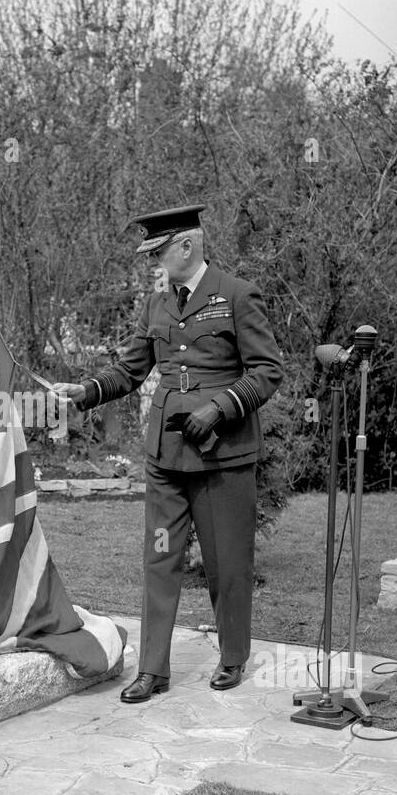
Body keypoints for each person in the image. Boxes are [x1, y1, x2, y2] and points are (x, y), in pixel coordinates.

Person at [51, 204, 284, 702]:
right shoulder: (157, 305)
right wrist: (87, 390)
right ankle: (153, 670)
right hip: (166, 456)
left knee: (228, 564)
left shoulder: (238, 295)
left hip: (222, 456)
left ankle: (233, 656)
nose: (154, 262)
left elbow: (266, 371)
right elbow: (131, 371)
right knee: (160, 559)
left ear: (186, 246)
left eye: (158, 252)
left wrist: (220, 408)